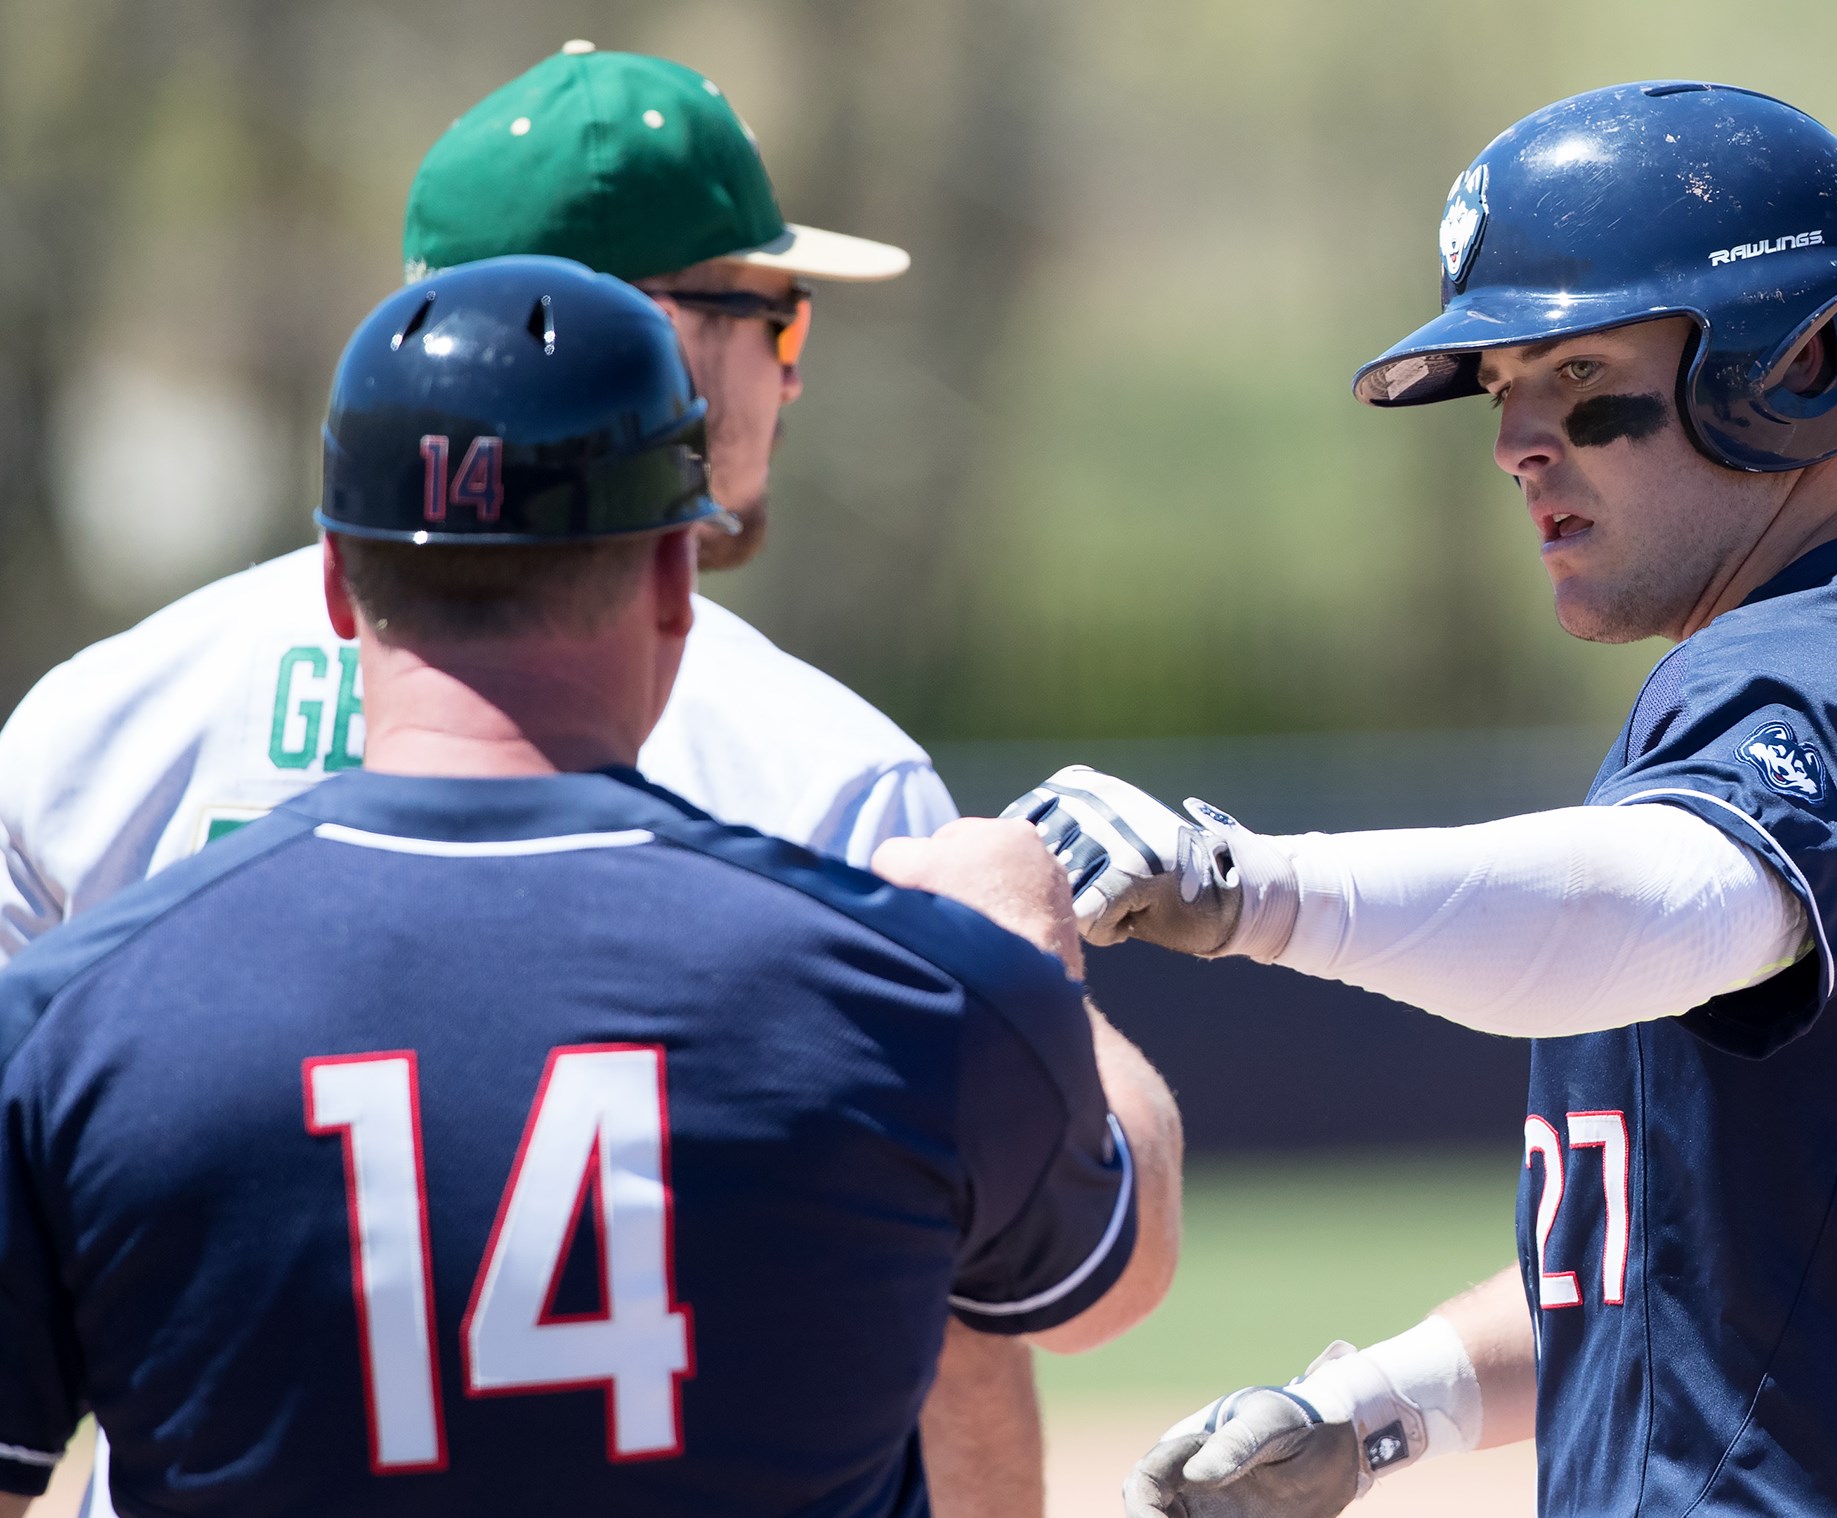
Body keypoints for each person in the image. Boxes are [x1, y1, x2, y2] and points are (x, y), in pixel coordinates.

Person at [1011, 82, 1837, 1517]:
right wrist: (1374, 1409)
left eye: (1580, 374)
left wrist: (1245, 886)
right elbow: (1679, 1267)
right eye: (1503, 391)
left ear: (1795, 355)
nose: (1517, 444)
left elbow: (1665, 906)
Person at [0, 44, 1050, 1516]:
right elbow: (964, 1322)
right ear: (648, 336)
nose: (791, 380)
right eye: (778, 318)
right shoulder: (816, 760)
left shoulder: (90, 718)